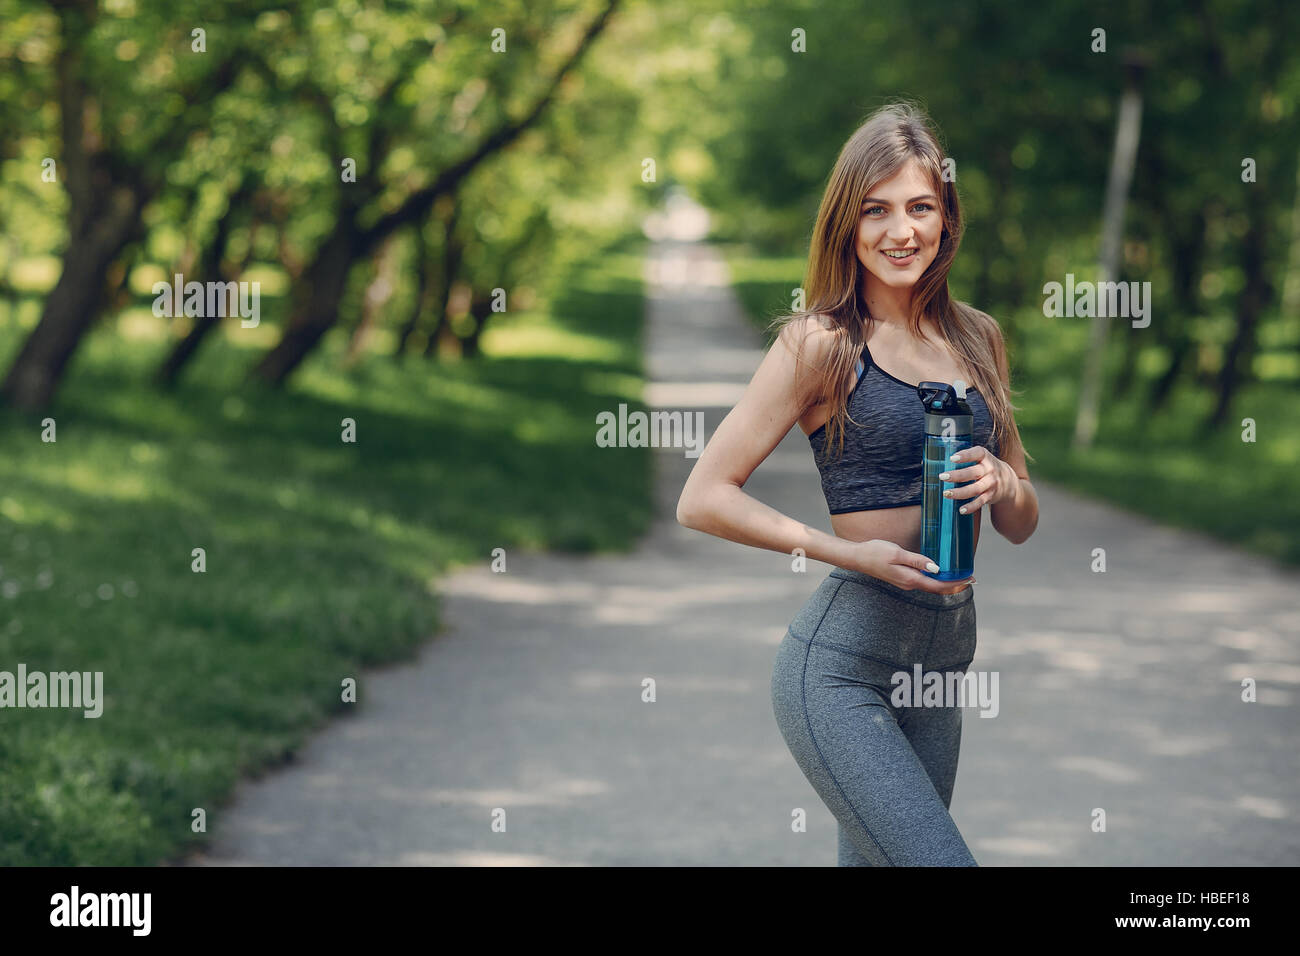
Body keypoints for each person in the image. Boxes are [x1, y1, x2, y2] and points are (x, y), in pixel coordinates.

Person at [676, 102, 1040, 866]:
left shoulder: (978, 339)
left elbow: (1020, 523)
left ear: (946, 219)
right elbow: (703, 497)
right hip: (842, 667)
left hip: (942, 664)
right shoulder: (821, 345)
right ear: (846, 221)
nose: (899, 231)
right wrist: (848, 555)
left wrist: (1006, 482)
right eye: (875, 210)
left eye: (920, 207)